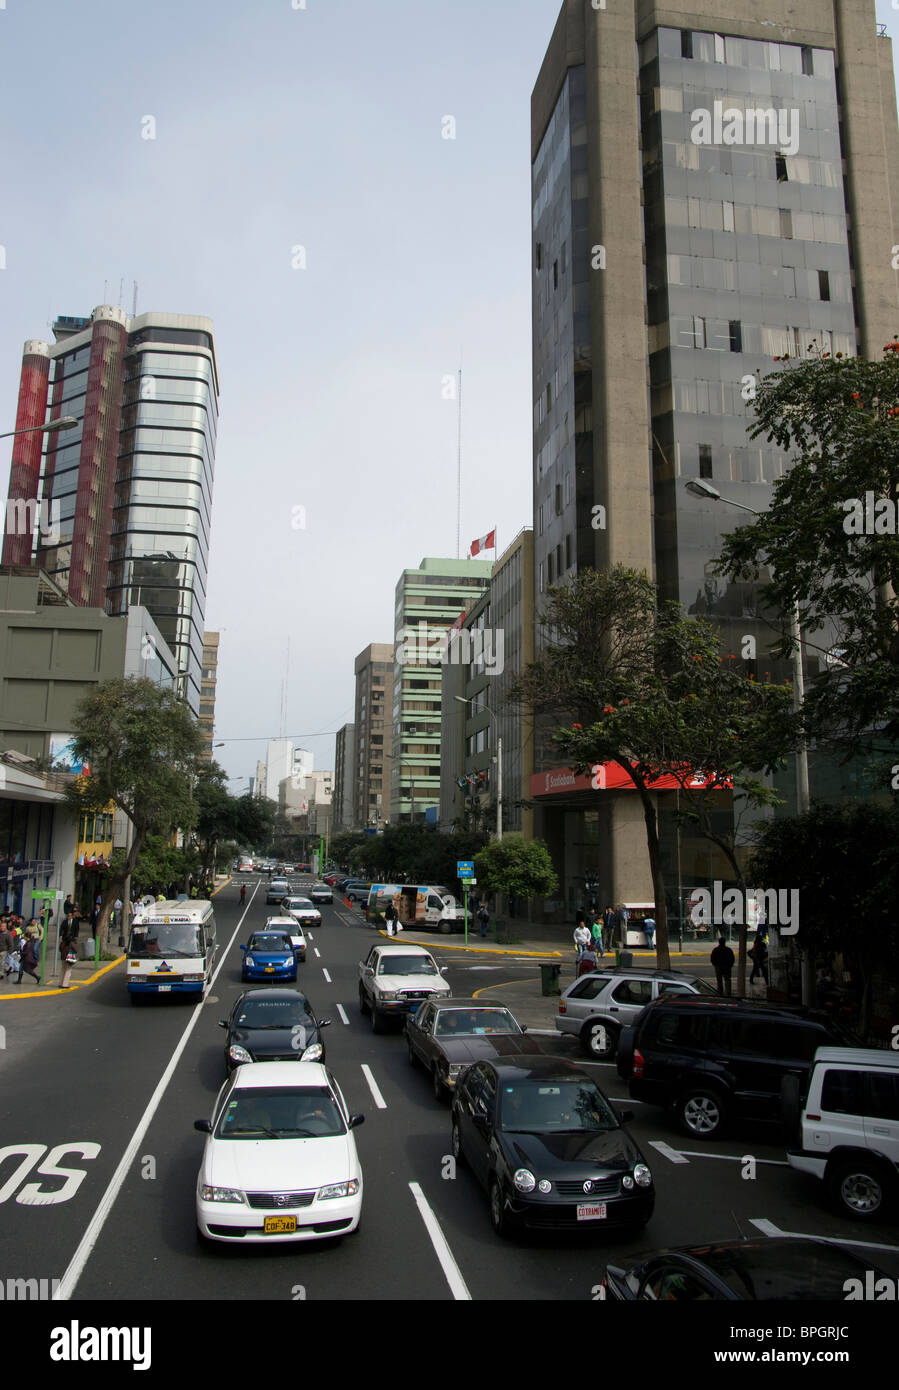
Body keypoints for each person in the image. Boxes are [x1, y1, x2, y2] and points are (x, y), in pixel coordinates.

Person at [60, 911, 80, 989]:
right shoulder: (71, 944)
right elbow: (76, 950)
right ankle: (65, 984)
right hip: (69, 958)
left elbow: (60, 949)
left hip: (63, 957)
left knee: (62, 969)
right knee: (68, 971)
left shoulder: (62, 944)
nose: (68, 916)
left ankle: (60, 982)